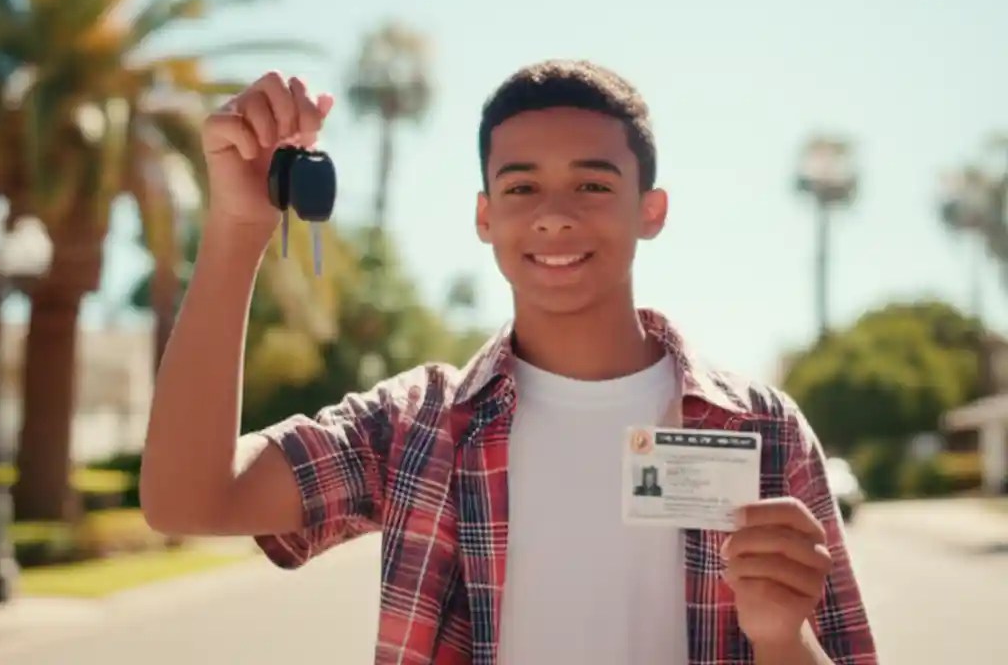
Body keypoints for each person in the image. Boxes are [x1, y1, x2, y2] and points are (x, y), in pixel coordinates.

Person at [140, 61, 877, 664]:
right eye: (522, 187)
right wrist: (239, 227)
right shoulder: (416, 427)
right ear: (485, 216)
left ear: (650, 211)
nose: (554, 213)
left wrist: (784, 640)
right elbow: (190, 501)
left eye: (593, 184)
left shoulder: (763, 429)